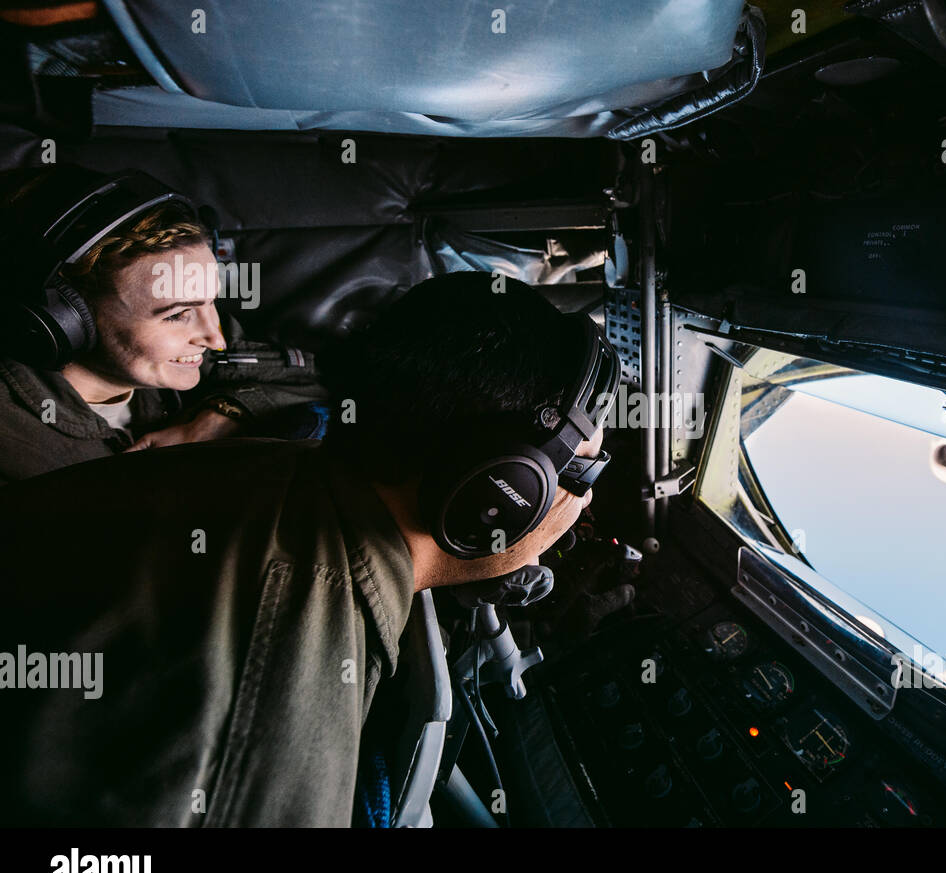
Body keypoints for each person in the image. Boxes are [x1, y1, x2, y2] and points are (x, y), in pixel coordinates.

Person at [0, 270, 617, 827]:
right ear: (502, 490)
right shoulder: (280, 710)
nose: (580, 506)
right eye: (581, 478)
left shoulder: (276, 468)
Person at [0, 165, 326, 484]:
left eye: (211, 300)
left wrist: (224, 415)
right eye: (176, 315)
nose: (214, 337)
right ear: (62, 320)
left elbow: (316, 376)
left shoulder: (195, 344)